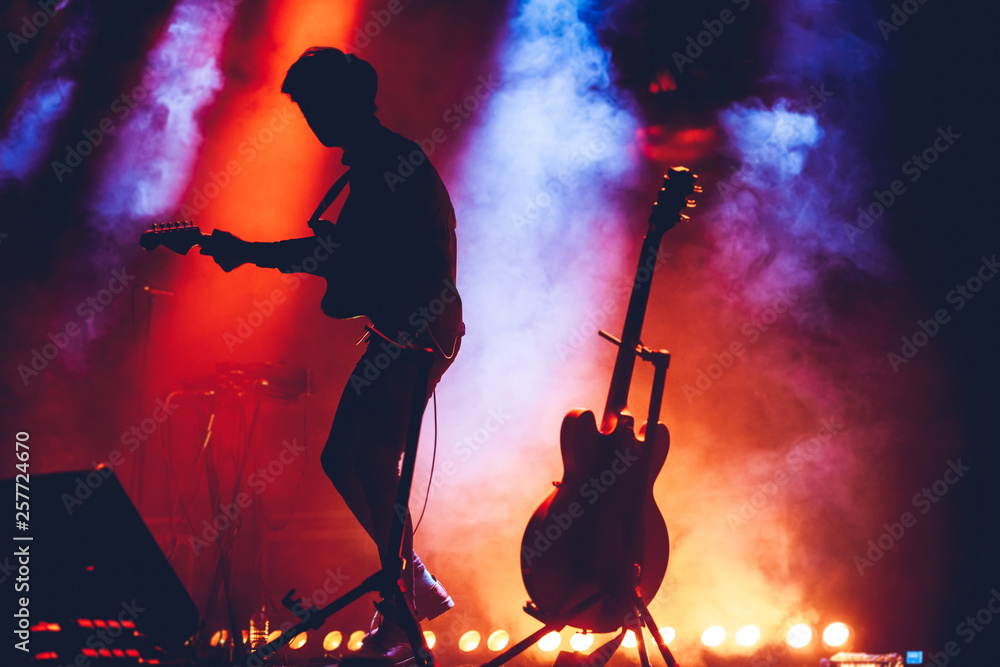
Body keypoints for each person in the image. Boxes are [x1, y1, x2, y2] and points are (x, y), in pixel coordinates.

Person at [200, 47, 463, 667]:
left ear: (344, 102)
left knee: (360, 457)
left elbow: (345, 258)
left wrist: (249, 252)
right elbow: (353, 259)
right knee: (347, 458)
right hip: (402, 332)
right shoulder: (375, 162)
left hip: (414, 334)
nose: (311, 121)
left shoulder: (387, 163)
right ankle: (406, 589)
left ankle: (405, 593)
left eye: (316, 106)